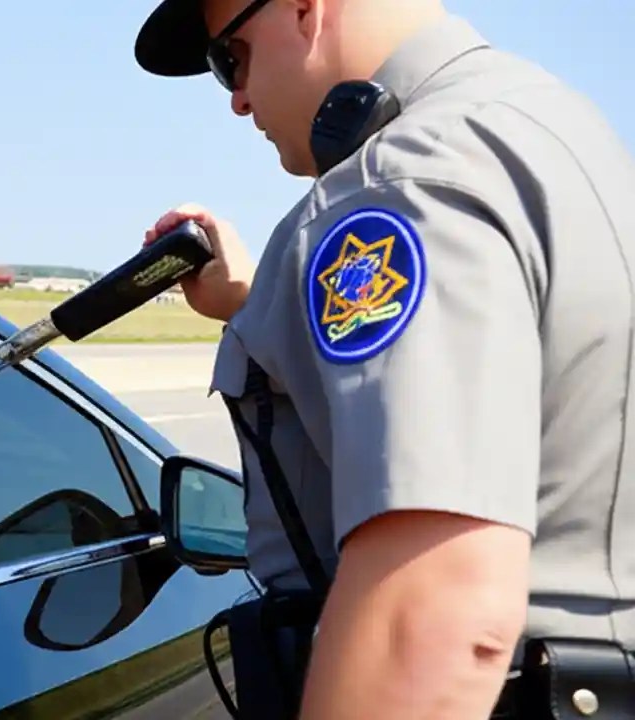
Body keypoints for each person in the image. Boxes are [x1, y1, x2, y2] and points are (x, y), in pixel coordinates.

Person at [130, 0, 635, 717]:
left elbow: (431, 612)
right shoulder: (547, 127)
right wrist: (258, 307)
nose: (238, 99)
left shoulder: (398, 184)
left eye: (229, 58)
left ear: (305, 9)